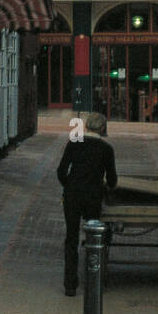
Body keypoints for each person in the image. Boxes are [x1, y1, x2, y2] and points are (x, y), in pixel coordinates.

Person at [57, 110, 117, 296]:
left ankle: (70, 285)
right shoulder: (106, 149)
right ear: (102, 128)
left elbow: (61, 171)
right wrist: (105, 187)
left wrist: (70, 186)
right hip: (93, 197)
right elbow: (113, 179)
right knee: (94, 238)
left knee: (71, 238)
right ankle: (93, 281)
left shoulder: (74, 143)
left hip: (73, 196)